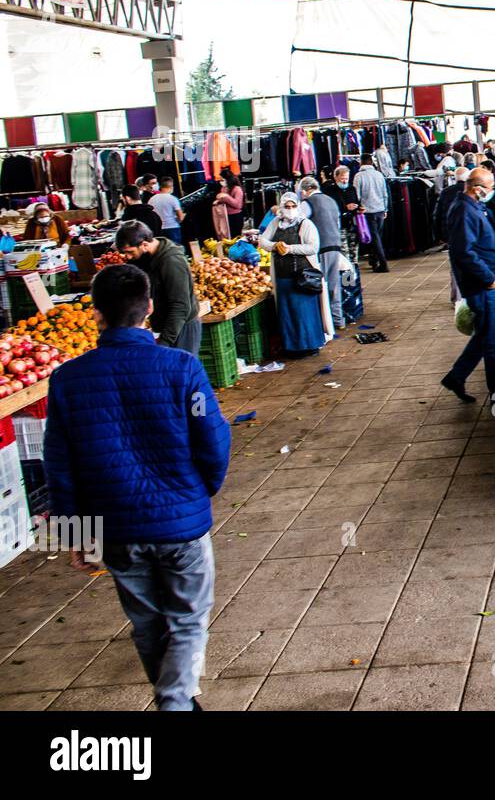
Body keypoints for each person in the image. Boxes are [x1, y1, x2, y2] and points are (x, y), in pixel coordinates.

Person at [44, 263, 230, 711]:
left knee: (147, 624)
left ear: (95, 314)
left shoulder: (67, 379)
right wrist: (201, 490)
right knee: (187, 621)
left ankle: (178, 699)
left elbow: (60, 467)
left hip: (116, 530)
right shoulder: (181, 367)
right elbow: (214, 438)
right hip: (181, 524)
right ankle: (175, 701)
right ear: (149, 308)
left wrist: (75, 537)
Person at [442, 167, 495, 408]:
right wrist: (489, 278)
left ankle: (456, 377)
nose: (492, 192)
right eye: (490, 188)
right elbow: (463, 252)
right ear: (477, 188)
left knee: (484, 337)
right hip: (482, 287)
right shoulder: (464, 210)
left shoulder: (473, 207)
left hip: (486, 284)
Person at [115, 220, 202, 356]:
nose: (127, 257)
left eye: (130, 252)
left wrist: (165, 342)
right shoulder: (148, 257)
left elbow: (181, 306)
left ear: (144, 244)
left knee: (180, 373)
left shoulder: (171, 261)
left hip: (181, 328)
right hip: (165, 325)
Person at [259, 192, 328, 356]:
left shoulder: (306, 224)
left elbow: (313, 247)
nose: (290, 209)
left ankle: (310, 345)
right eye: (287, 206)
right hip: (283, 278)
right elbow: (263, 241)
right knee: (287, 314)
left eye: (293, 206)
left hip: (302, 277)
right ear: (282, 207)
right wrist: (275, 245)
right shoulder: (276, 223)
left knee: (305, 313)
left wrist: (290, 248)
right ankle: (292, 347)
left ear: (298, 207)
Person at [299, 177, 347, 333]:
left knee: (322, 285)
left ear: (305, 190)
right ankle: (338, 319)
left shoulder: (308, 203)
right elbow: (337, 223)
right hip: (335, 244)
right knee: (334, 284)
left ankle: (325, 323)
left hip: (322, 247)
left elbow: (299, 221)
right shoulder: (330, 200)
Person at [354, 153, 390, 273]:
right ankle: (374, 260)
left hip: (367, 211)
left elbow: (356, 195)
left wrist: (358, 208)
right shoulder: (379, 175)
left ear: (361, 162)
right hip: (380, 209)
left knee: (374, 238)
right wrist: (385, 209)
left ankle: (383, 263)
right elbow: (385, 193)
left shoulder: (358, 176)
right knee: (377, 237)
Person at [324, 164, 362, 268]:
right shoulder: (329, 191)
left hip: (352, 225)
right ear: (336, 177)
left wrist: (359, 208)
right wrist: (345, 207)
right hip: (339, 226)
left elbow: (357, 202)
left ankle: (355, 281)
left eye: (346, 178)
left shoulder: (351, 189)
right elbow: (330, 208)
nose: (345, 181)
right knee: (344, 255)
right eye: (342, 178)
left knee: (354, 254)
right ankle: (348, 281)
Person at [435, 166, 470, 252]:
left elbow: (437, 214)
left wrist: (438, 234)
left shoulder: (445, 192)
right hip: (469, 229)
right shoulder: (471, 190)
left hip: (449, 230)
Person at [148, 176, 185, 244]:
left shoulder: (151, 199)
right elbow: (181, 217)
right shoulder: (173, 199)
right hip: (173, 228)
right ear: (171, 187)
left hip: (158, 230)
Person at [212, 169, 244, 241]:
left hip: (236, 217)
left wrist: (226, 197)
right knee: (227, 237)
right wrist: (218, 201)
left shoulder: (237, 189)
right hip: (226, 216)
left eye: (222, 180)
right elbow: (224, 200)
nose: (220, 182)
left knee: (235, 237)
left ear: (228, 179)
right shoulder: (223, 188)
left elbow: (238, 205)